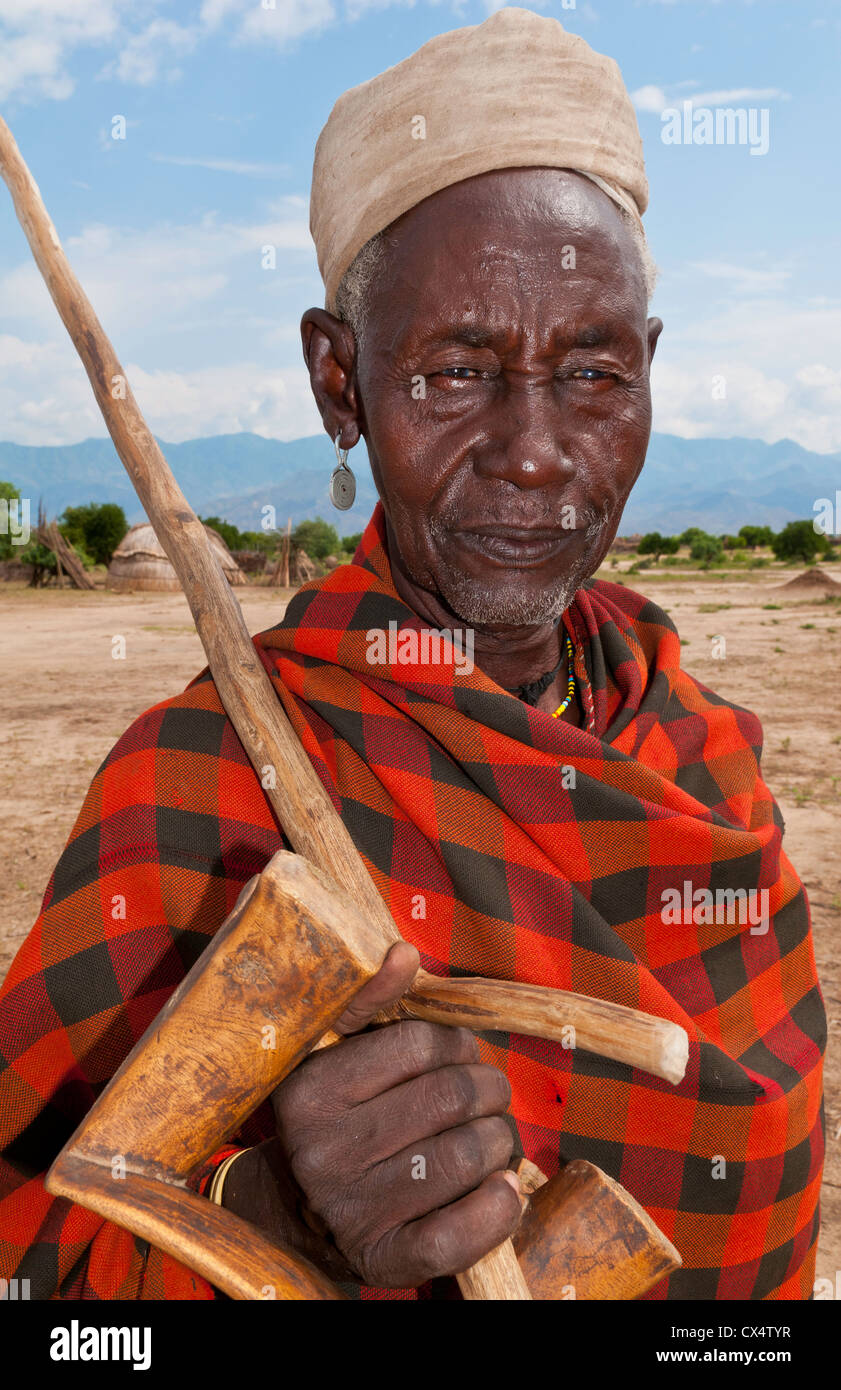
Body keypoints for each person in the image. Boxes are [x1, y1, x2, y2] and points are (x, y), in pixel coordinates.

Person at [0, 8, 825, 1301]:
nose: (537, 451)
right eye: (456, 371)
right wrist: (263, 1211)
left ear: (651, 370)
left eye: (594, 371)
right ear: (341, 382)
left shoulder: (704, 753)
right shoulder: (208, 789)